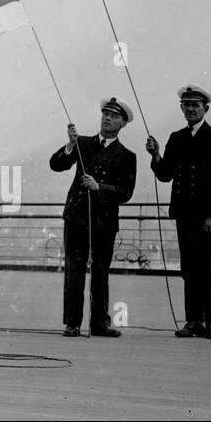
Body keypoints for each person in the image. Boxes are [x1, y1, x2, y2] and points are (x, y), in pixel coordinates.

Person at [145, 84, 211, 340]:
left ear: (205, 109)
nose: (190, 109)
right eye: (186, 105)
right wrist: (156, 155)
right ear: (182, 109)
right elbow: (165, 175)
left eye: (195, 105)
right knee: (190, 269)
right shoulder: (177, 139)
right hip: (185, 216)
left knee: (210, 268)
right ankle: (193, 321)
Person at [49, 97, 137, 337]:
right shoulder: (83, 143)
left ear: (123, 124)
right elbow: (56, 165)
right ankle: (72, 323)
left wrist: (100, 188)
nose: (108, 118)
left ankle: (99, 323)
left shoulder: (127, 156)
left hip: (104, 221)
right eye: (106, 113)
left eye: (114, 116)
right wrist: (69, 145)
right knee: (74, 270)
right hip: (77, 217)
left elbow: (126, 192)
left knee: (100, 271)